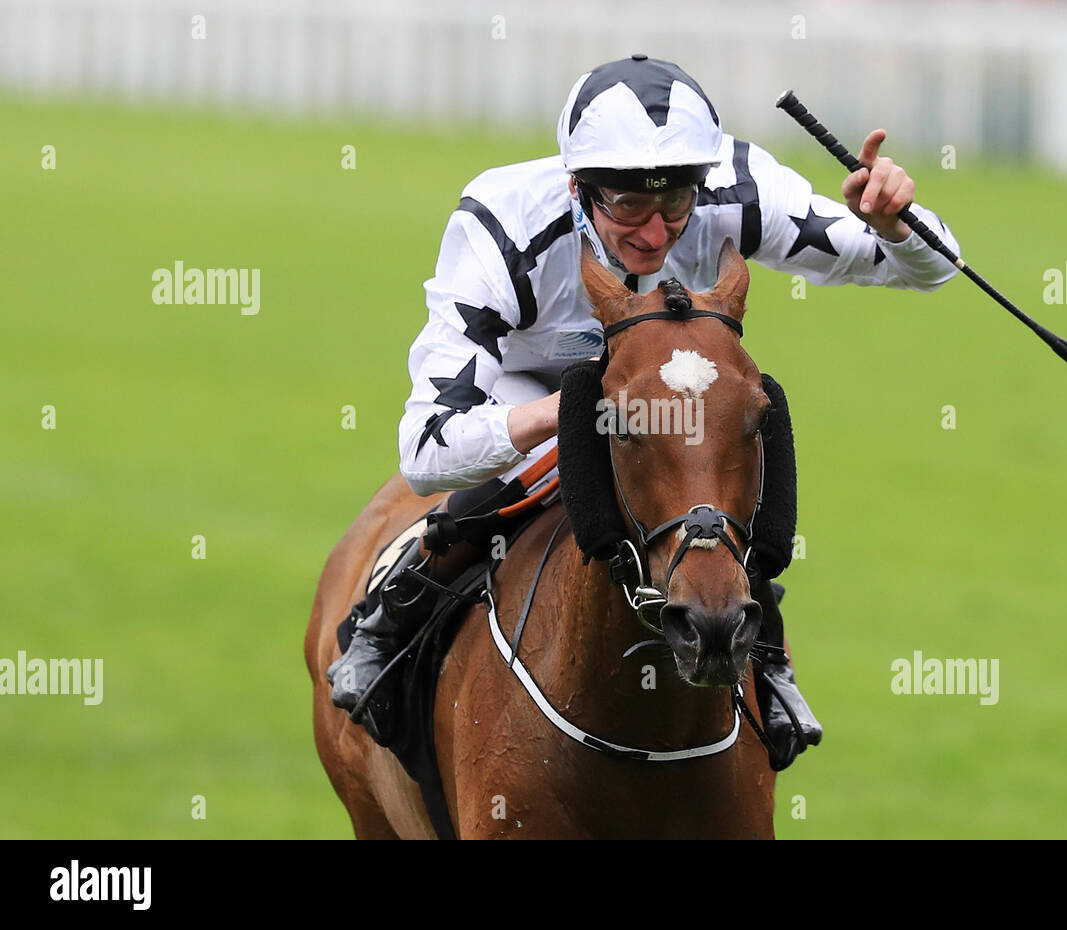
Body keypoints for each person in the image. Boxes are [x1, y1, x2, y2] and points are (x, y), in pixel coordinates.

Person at [329, 55, 962, 769]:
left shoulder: (737, 189)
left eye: (674, 206)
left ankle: (767, 648)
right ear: (578, 188)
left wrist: (898, 222)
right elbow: (426, 450)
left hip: (671, 391)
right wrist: (571, 414)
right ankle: (396, 610)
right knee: (568, 453)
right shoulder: (501, 222)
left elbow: (935, 268)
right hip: (530, 387)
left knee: (742, 422)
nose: (656, 234)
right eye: (627, 206)